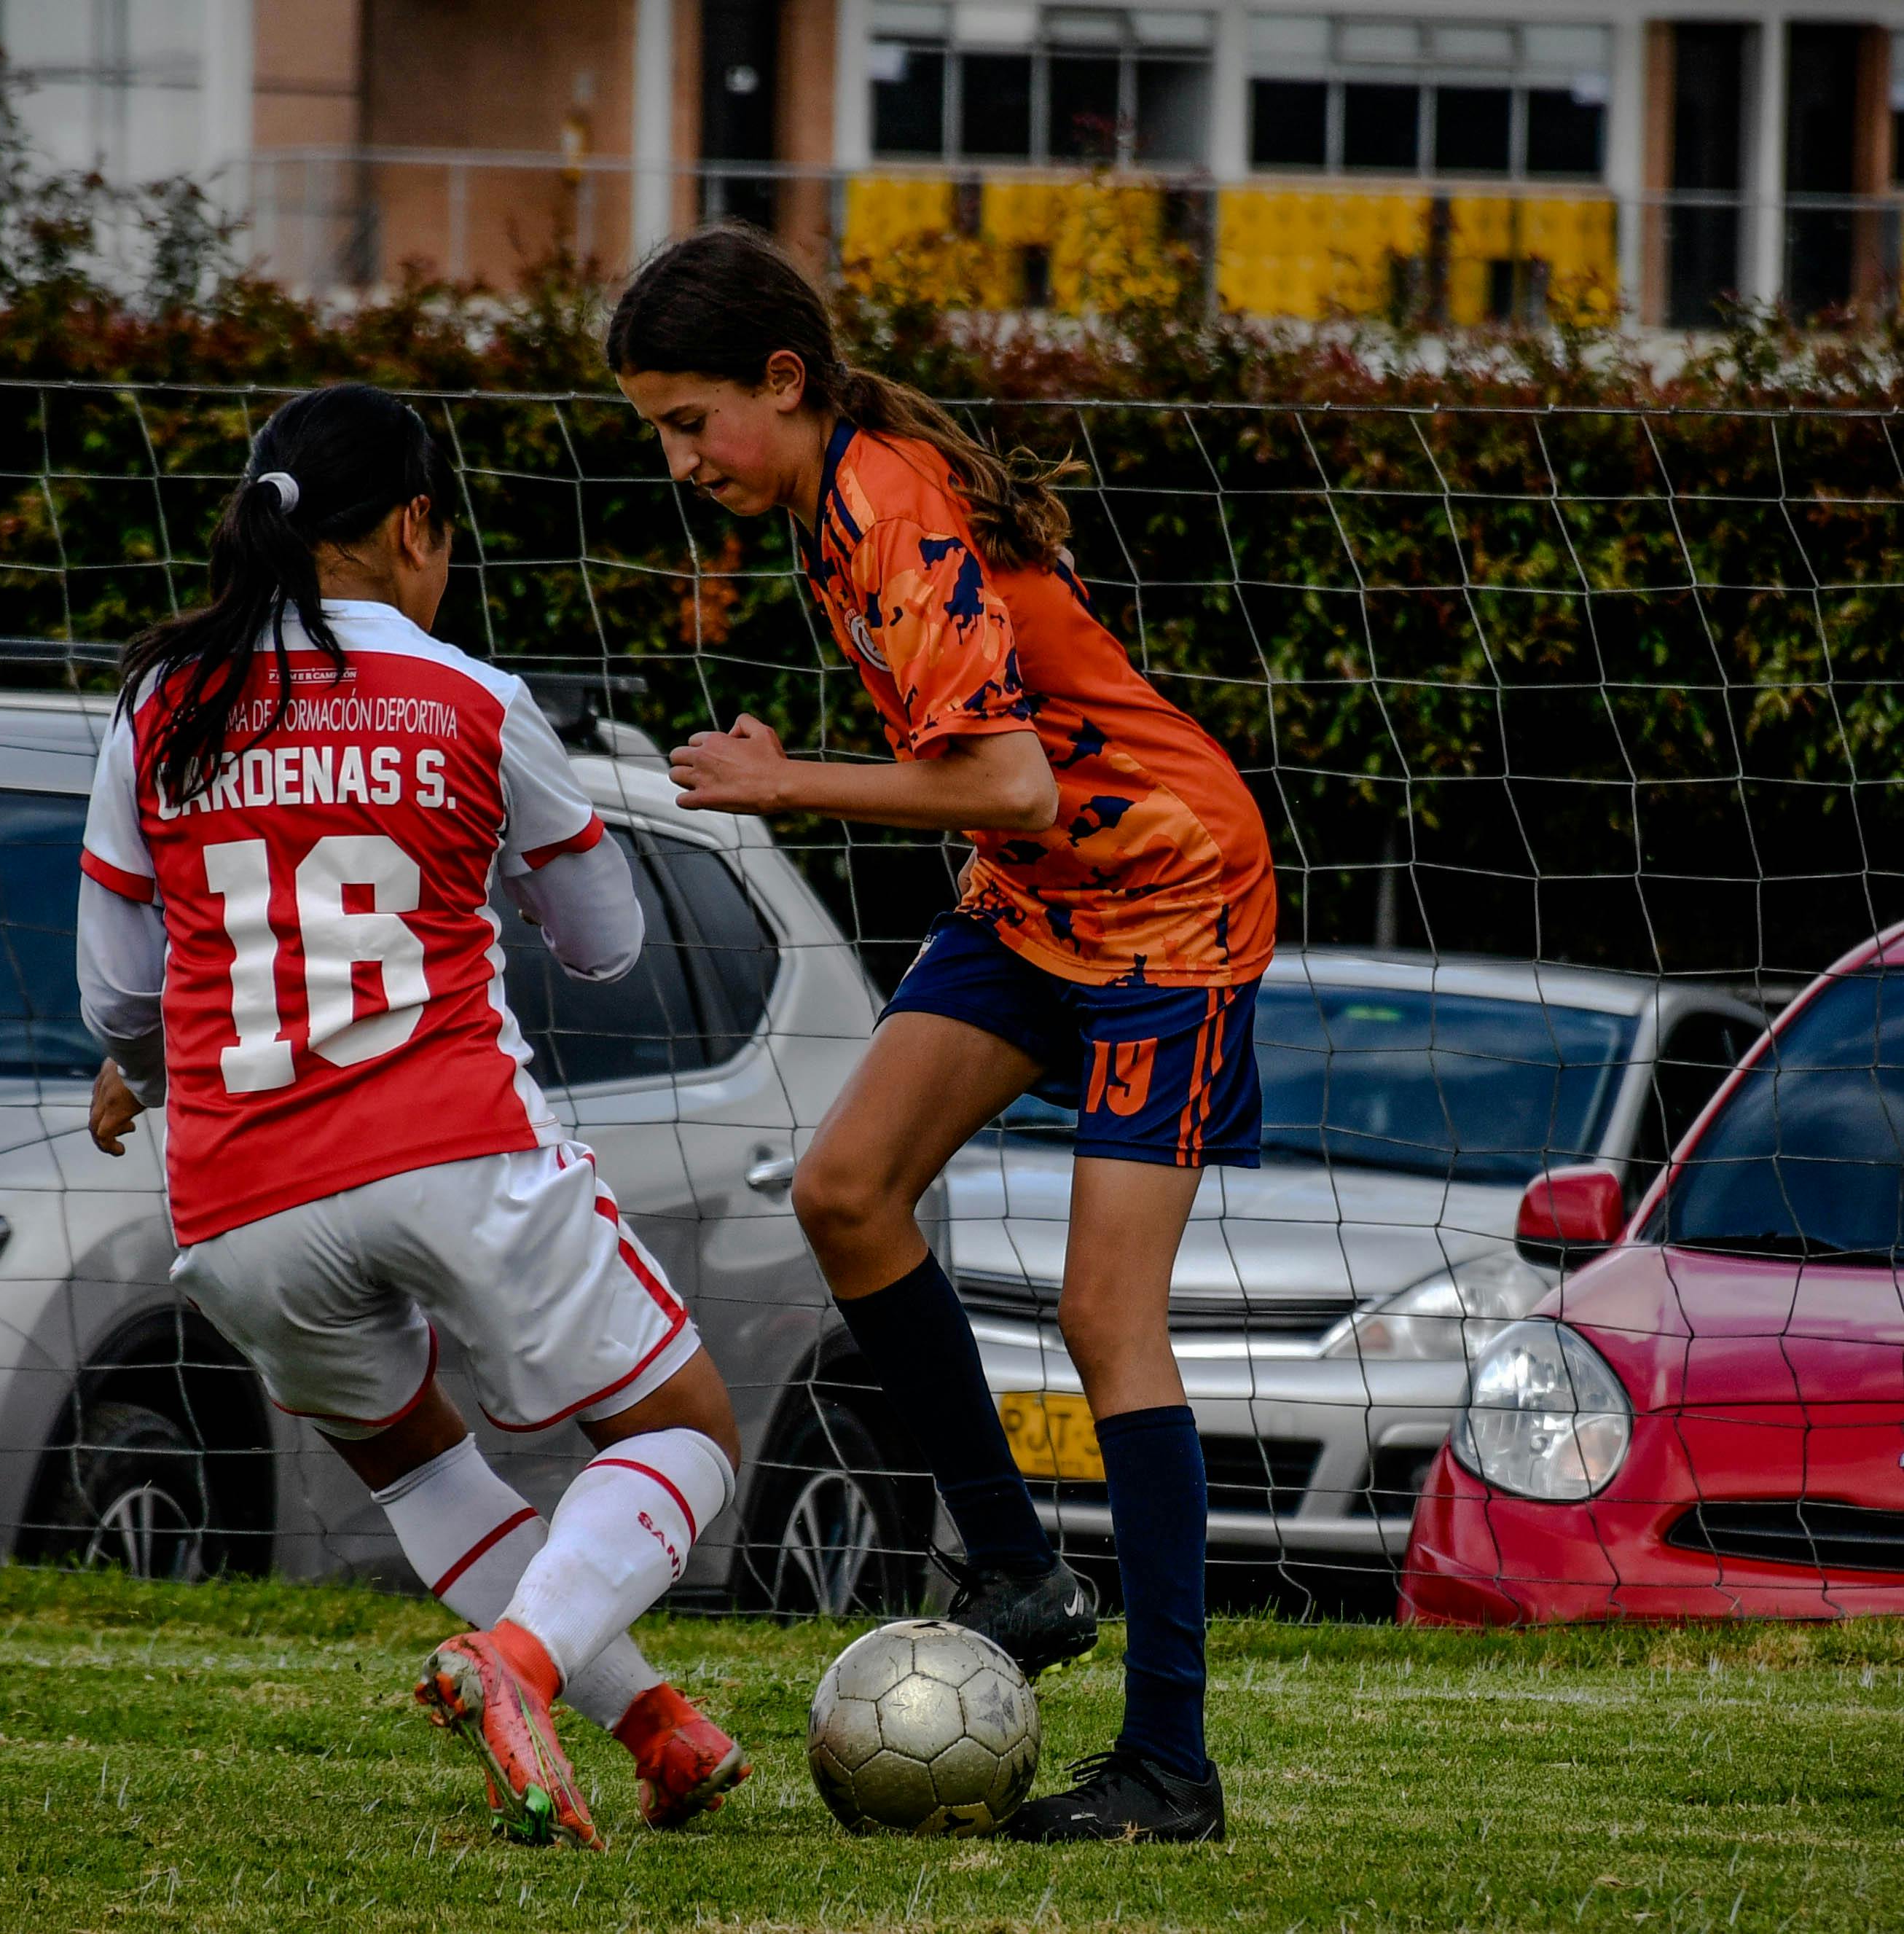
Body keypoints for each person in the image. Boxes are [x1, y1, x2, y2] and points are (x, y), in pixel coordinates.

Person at [606, 227, 1277, 1844]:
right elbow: (1001, 781)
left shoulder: (885, 504)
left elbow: (1011, 781)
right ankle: (1021, 1569)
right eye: (658, 432)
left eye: (692, 421)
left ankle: (1169, 1766)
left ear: (783, 380)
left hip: (1168, 900)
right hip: (1032, 900)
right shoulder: (835, 501)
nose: (681, 460)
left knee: (1106, 1314)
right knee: (845, 1190)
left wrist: (781, 780)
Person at [73, 382, 748, 1850]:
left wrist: (151, 1061)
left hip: (239, 1199)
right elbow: (608, 943)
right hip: (452, 1147)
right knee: (685, 1430)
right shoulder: (471, 697)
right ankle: (519, 1663)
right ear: (418, 525)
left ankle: (656, 1728)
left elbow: (118, 997)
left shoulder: (159, 701)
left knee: (422, 1464)